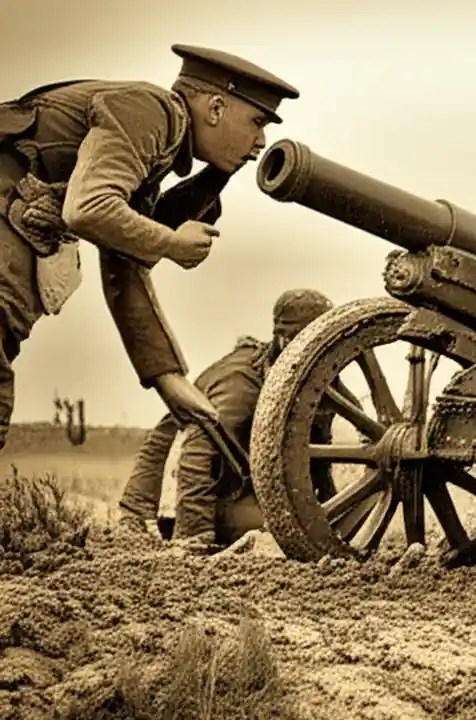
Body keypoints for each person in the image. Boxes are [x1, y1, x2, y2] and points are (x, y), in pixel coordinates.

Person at [0, 44, 300, 453]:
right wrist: (173, 244)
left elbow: (122, 263)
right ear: (214, 108)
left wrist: (167, 377)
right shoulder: (152, 111)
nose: (262, 140)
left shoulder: (153, 149)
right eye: (257, 121)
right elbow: (88, 208)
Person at [117, 288, 338, 554]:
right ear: (284, 339)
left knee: (299, 527)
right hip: (177, 501)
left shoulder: (305, 380)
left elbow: (318, 456)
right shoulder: (241, 382)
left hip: (232, 486)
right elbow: (197, 452)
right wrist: (193, 534)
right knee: (282, 531)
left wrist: (334, 519)